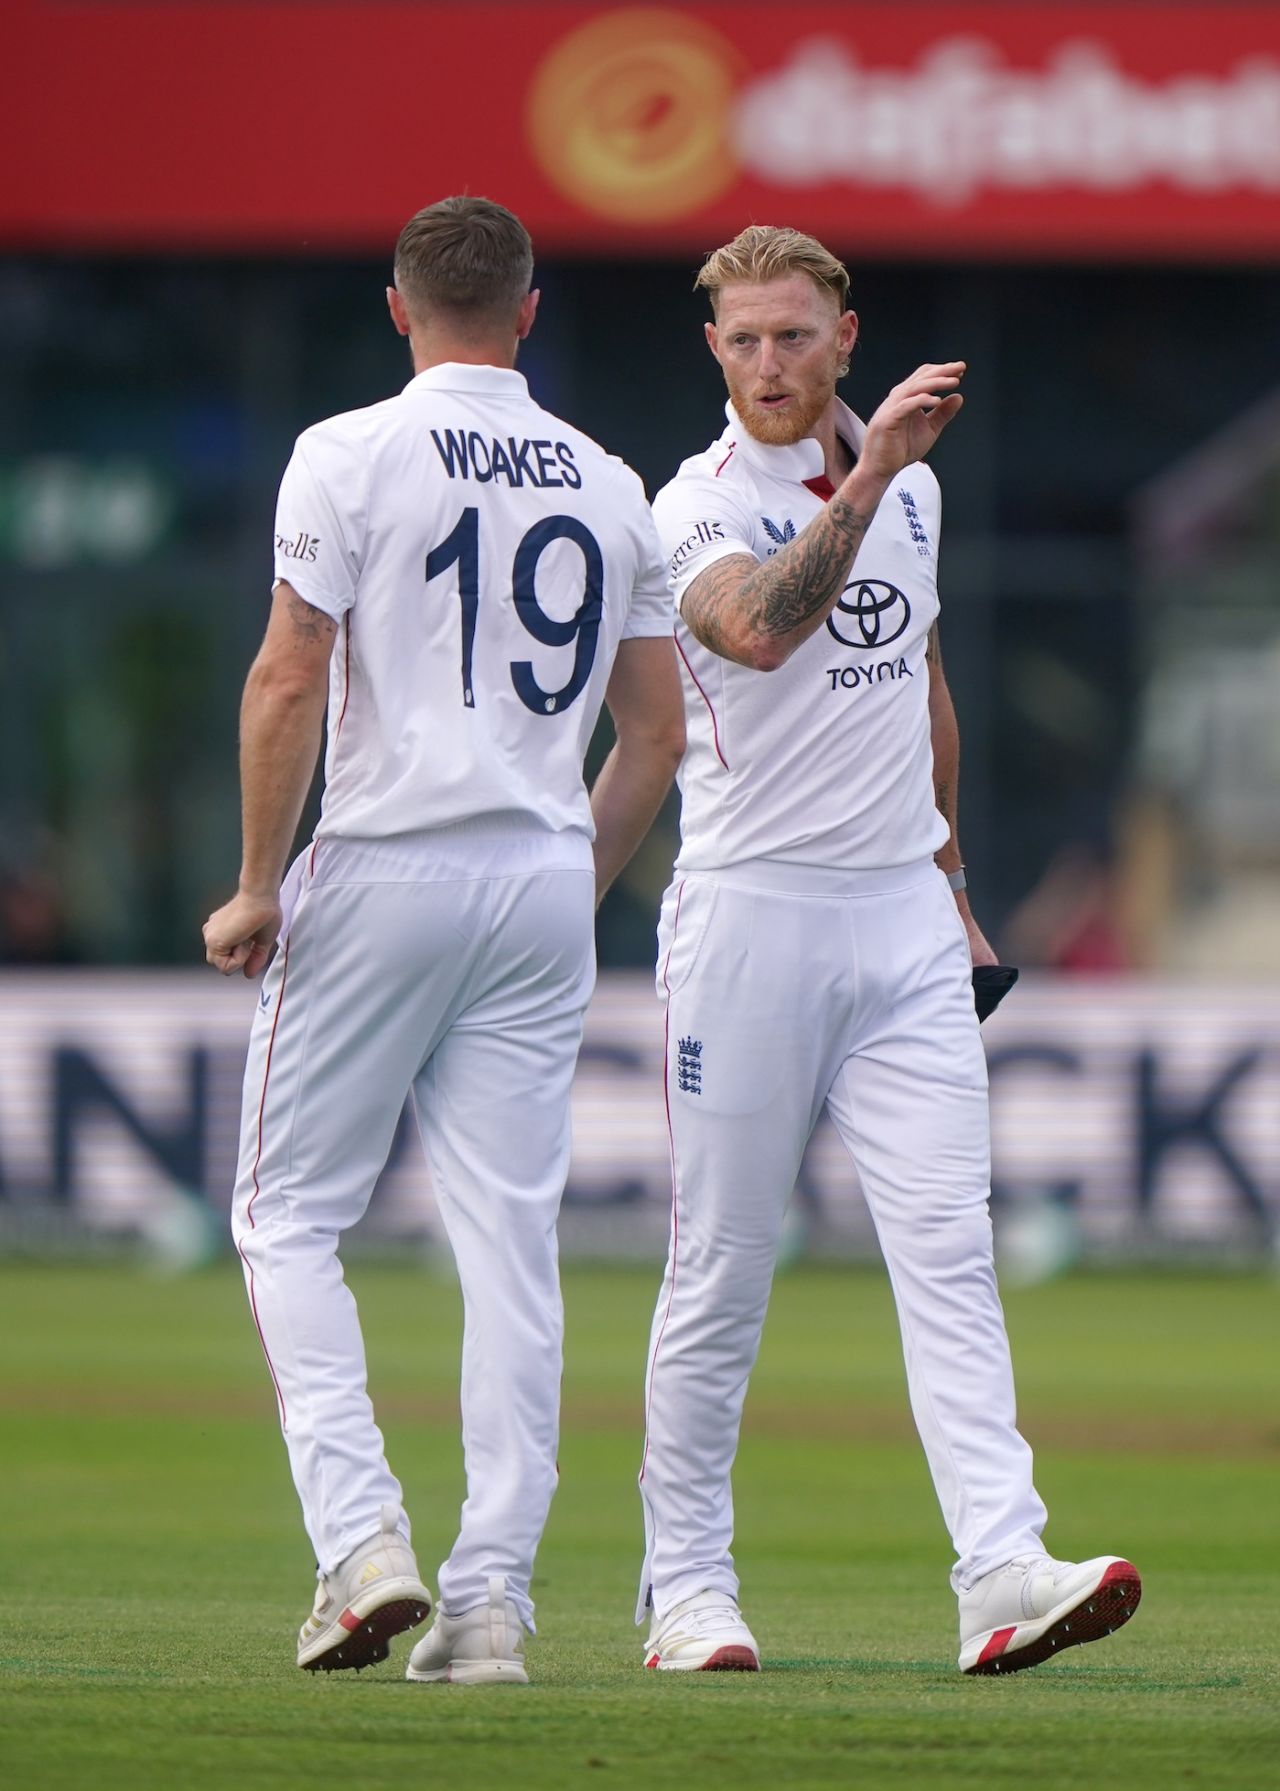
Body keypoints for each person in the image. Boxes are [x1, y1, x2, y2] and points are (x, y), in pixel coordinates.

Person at [636, 225, 1141, 1676]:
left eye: (794, 335)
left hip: (904, 923)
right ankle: (686, 1591)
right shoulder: (694, 502)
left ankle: (1001, 1568)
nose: (769, 365)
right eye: (743, 340)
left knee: (950, 1254)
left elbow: (919, 684)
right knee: (724, 1270)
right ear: (713, 349)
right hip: (750, 916)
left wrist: (955, 881)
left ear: (844, 337)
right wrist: (867, 481)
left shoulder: (906, 488)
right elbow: (756, 630)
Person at [203, 196, 685, 1686]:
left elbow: (290, 676)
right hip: (538, 872)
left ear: (399, 309)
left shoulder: (348, 453)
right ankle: (490, 1606)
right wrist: (564, 883)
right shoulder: (611, 482)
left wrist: (256, 881)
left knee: (286, 1217)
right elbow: (656, 737)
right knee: (511, 1249)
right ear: (528, 313)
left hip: (385, 858)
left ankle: (361, 1543)